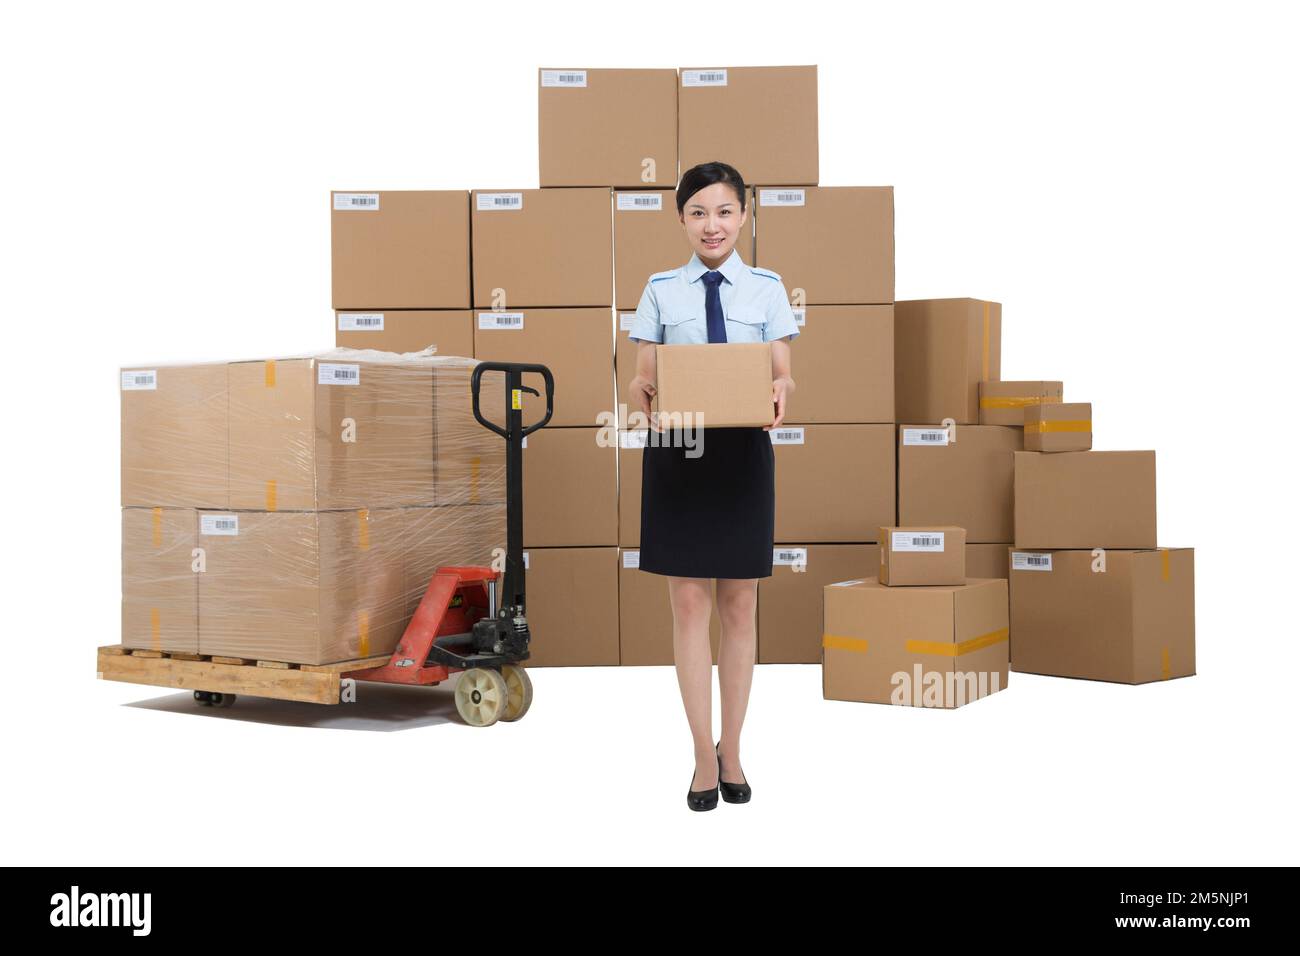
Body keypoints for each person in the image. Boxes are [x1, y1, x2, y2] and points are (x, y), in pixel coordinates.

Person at [625, 161, 799, 811]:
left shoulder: (767, 290)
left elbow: (782, 374)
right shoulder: (661, 290)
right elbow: (644, 375)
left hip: (741, 457)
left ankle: (735, 748)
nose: (712, 224)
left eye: (724, 211)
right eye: (698, 212)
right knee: (690, 607)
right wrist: (642, 392)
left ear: (745, 215)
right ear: (680, 221)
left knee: (740, 607)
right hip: (679, 452)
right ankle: (702, 753)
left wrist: (781, 390)